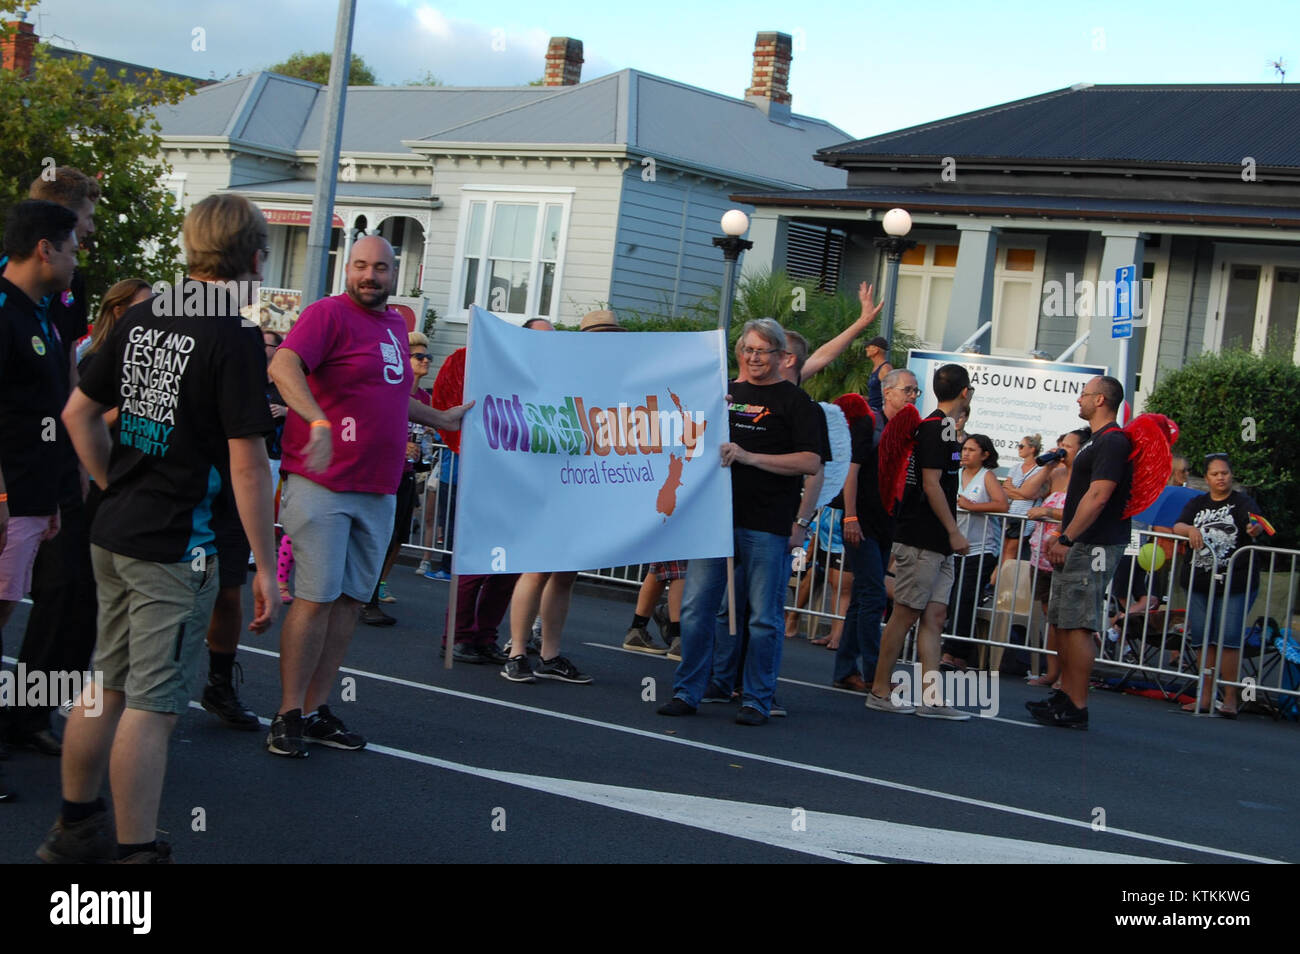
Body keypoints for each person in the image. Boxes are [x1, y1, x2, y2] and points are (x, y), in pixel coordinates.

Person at [42, 194, 279, 863]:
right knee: (152, 703)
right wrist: (265, 564)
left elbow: (78, 413)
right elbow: (249, 463)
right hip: (178, 542)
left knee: (108, 682)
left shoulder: (148, 311)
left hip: (116, 529)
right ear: (254, 255)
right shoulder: (232, 335)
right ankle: (136, 849)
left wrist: (112, 482)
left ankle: (75, 826)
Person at [267, 235, 471, 756]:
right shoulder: (326, 315)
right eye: (360, 265)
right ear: (348, 269)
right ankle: (288, 712)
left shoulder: (394, 326)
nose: (369, 276)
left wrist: (441, 418)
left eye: (379, 267)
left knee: (350, 603)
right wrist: (315, 418)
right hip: (324, 483)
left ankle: (314, 709)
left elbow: (391, 395)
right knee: (314, 599)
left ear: (393, 273)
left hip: (378, 486)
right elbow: (282, 366)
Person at [657, 318, 823, 725]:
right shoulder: (719, 394)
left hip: (767, 523)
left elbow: (810, 461)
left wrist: (749, 457)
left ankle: (756, 699)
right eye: (747, 350)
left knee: (764, 618)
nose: (753, 358)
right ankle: (687, 691)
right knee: (696, 610)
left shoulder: (798, 403)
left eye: (762, 351)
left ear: (782, 356)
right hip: (712, 521)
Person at [0, 200, 81, 785]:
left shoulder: (44, 315)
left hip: (34, 498)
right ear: (44, 248)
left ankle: (23, 721)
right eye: (74, 247)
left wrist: (53, 497)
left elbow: (47, 410)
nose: (79, 258)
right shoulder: (3, 309)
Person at [501, 310, 621, 684]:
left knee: (566, 573)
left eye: (612, 335)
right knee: (537, 567)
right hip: (548, 479)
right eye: (600, 335)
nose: (607, 342)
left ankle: (549, 654)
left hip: (584, 482)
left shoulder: (613, 376)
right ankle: (518, 651)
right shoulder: (561, 372)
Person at [867, 363, 974, 720]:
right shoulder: (934, 428)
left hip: (937, 539)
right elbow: (931, 483)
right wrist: (955, 530)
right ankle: (880, 689)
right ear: (964, 391)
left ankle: (932, 697)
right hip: (922, 536)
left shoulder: (945, 429)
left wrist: (958, 437)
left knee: (935, 615)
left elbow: (949, 473)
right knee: (906, 613)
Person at [1030, 376, 1133, 729]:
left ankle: (1077, 704)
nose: (1079, 399)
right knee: (1061, 620)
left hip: (1095, 544)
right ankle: (1065, 695)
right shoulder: (1095, 441)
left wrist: (1067, 538)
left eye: (1085, 394)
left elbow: (1099, 496)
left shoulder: (1114, 441)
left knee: (1079, 625)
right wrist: (1062, 534)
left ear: (1101, 400)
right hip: (1080, 541)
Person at [834, 369, 919, 692]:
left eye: (915, 391)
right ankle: (874, 673)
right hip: (862, 522)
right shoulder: (869, 425)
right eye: (907, 390)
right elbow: (851, 472)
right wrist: (850, 517)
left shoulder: (908, 431)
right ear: (888, 393)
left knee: (862, 597)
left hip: (886, 523)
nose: (912, 396)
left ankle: (845, 670)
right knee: (872, 596)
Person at [1172, 454, 1266, 718]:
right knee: (1203, 638)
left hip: (1236, 580)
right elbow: (1177, 524)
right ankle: (1204, 695)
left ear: (1231, 475)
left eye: (1224, 473)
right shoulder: (1197, 502)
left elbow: (1260, 523)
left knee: (1229, 639)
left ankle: (1230, 699)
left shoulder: (1243, 502)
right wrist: (1189, 530)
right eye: (1215, 474)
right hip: (1199, 579)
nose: (1220, 478)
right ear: (1207, 478)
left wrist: (1255, 527)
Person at [360, 331, 436, 626]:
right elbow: (371, 425)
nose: (426, 361)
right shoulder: (389, 388)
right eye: (419, 356)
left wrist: (428, 434)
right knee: (380, 536)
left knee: (398, 537)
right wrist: (400, 443)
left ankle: (376, 586)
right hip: (383, 472)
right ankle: (365, 597)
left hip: (409, 472)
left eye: (428, 357)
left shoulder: (423, 396)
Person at [939, 434, 1007, 672]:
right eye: (964, 449)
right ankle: (953, 651)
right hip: (952, 548)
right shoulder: (954, 473)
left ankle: (954, 652)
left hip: (978, 550)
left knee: (964, 600)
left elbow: (1002, 504)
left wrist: (973, 506)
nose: (966, 453)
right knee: (947, 598)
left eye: (972, 450)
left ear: (985, 454)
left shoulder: (986, 476)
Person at [1021, 431, 1084, 687]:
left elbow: (1078, 512)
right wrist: (1047, 467)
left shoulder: (1084, 478)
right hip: (1042, 555)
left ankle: (1067, 676)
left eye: (1067, 446)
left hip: (1066, 554)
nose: (1062, 449)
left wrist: (1047, 511)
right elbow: (1028, 492)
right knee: (1050, 617)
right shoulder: (1055, 472)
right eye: (1060, 445)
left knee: (1066, 620)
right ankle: (1052, 673)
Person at [1000, 433, 1043, 567]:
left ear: (1032, 449)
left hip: (1026, 516)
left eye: (1021, 446)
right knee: (1004, 550)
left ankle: (999, 583)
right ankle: (996, 582)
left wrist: (1016, 491)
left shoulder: (1040, 470)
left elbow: (1035, 494)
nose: (1018, 448)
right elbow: (1006, 489)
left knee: (1011, 551)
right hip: (1012, 513)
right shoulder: (1015, 468)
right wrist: (1024, 493)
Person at [863, 334, 892, 417]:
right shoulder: (876, 368)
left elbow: (890, 395)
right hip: (873, 413)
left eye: (869, 346)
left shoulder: (885, 369)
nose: (866, 348)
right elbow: (877, 395)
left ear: (876, 350)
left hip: (879, 415)